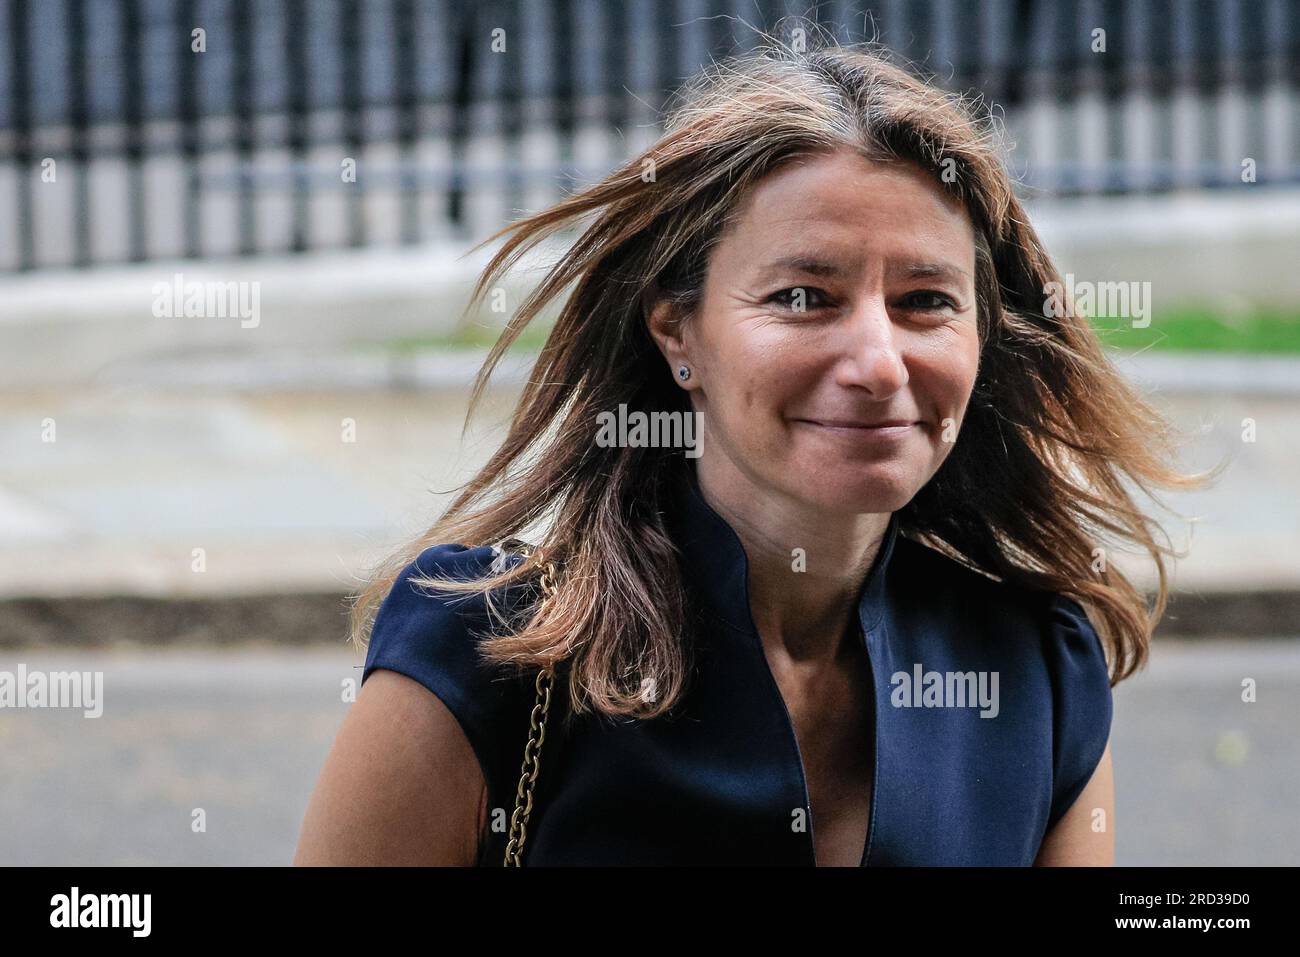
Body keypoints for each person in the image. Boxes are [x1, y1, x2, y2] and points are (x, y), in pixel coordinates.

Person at [294, 40, 1212, 867]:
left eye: (926, 300)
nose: (879, 363)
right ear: (678, 333)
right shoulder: (483, 654)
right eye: (804, 296)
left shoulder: (1038, 674)